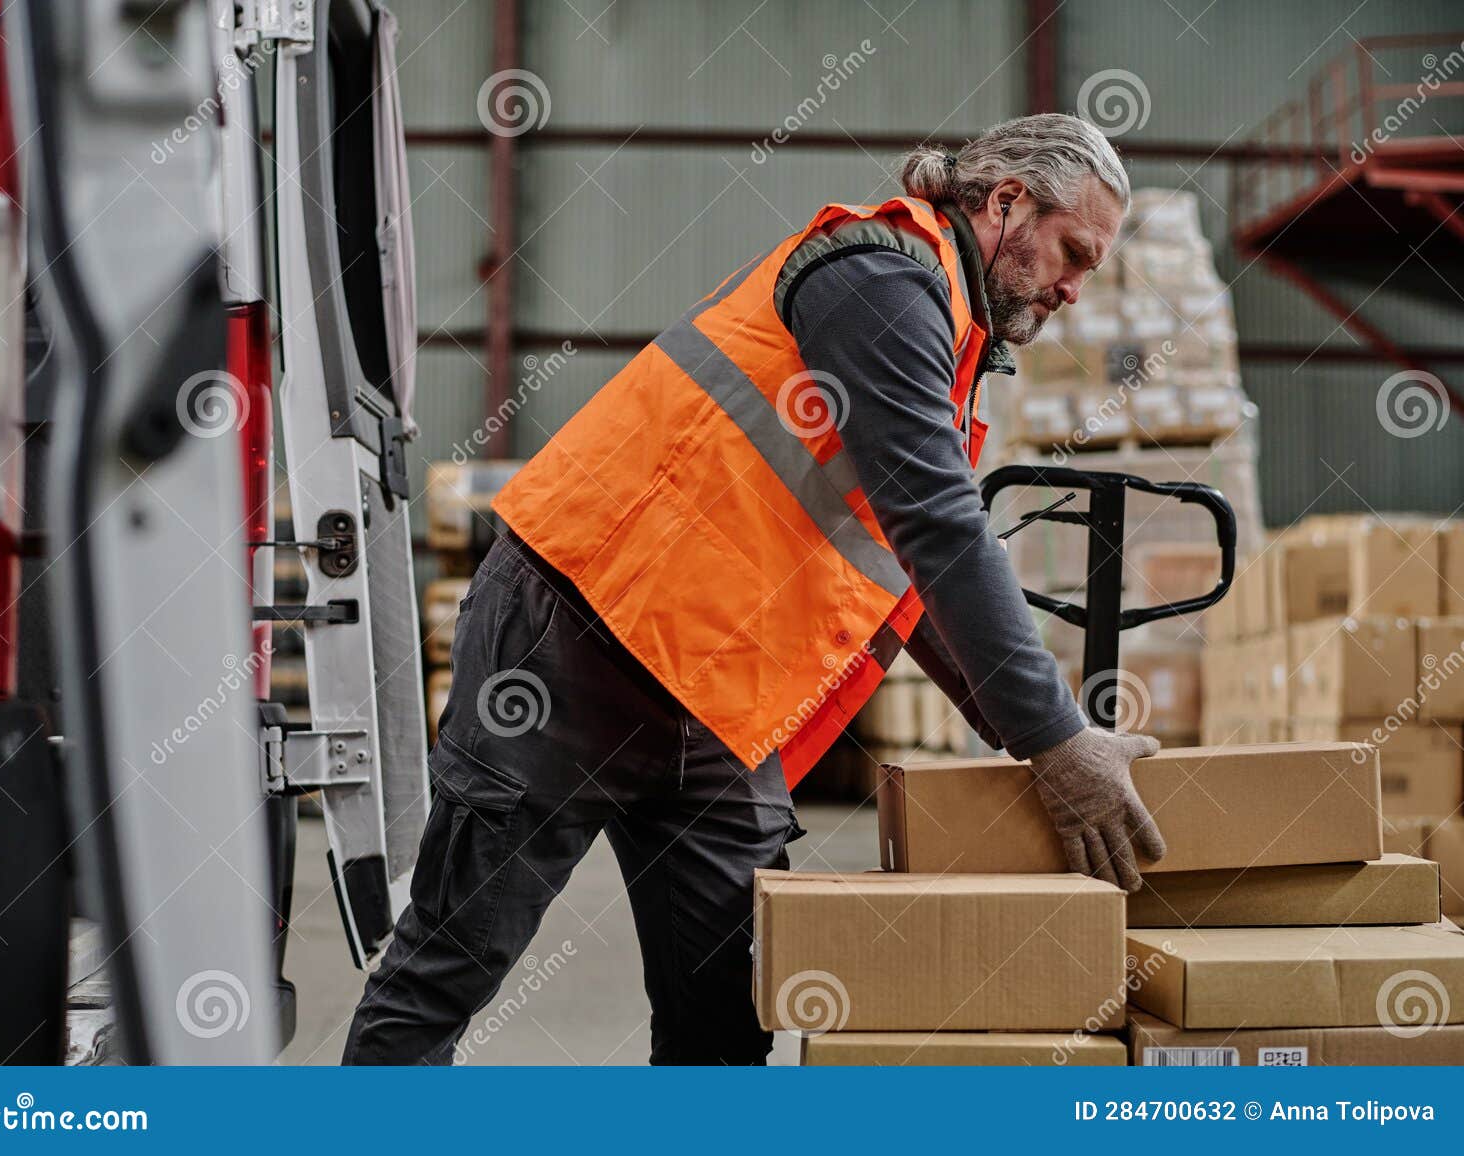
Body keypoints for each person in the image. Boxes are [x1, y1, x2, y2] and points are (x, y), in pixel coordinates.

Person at [344, 112, 1165, 1066]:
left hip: (718, 696)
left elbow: (907, 568)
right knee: (449, 968)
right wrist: (1054, 739)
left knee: (726, 1025)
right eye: (1074, 254)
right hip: (575, 638)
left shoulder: (947, 331)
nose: (1073, 289)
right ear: (1008, 203)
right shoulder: (880, 279)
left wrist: (1029, 734)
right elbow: (938, 523)